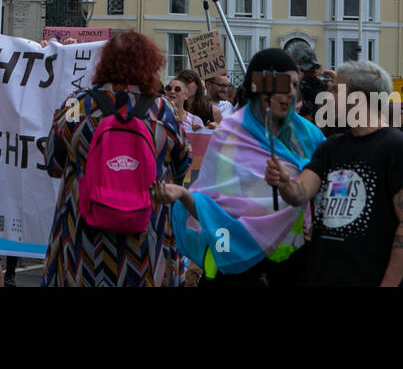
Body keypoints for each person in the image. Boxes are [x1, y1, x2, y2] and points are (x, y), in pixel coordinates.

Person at [152, 48, 325, 286]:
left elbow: (327, 194)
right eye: (283, 85)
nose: (290, 93)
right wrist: (182, 195)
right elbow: (213, 207)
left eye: (295, 85)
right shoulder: (229, 135)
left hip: (294, 266)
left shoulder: (310, 136)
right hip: (237, 266)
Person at [41, 31, 191, 286]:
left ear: (105, 63)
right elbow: (181, 168)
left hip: (83, 238)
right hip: (146, 239)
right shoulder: (163, 110)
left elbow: (53, 164)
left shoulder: (77, 105)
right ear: (149, 64)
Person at [271, 60, 403, 286]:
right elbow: (298, 194)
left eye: (334, 89)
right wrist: (284, 182)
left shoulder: (399, 149)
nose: (327, 95)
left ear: (357, 99)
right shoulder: (330, 147)